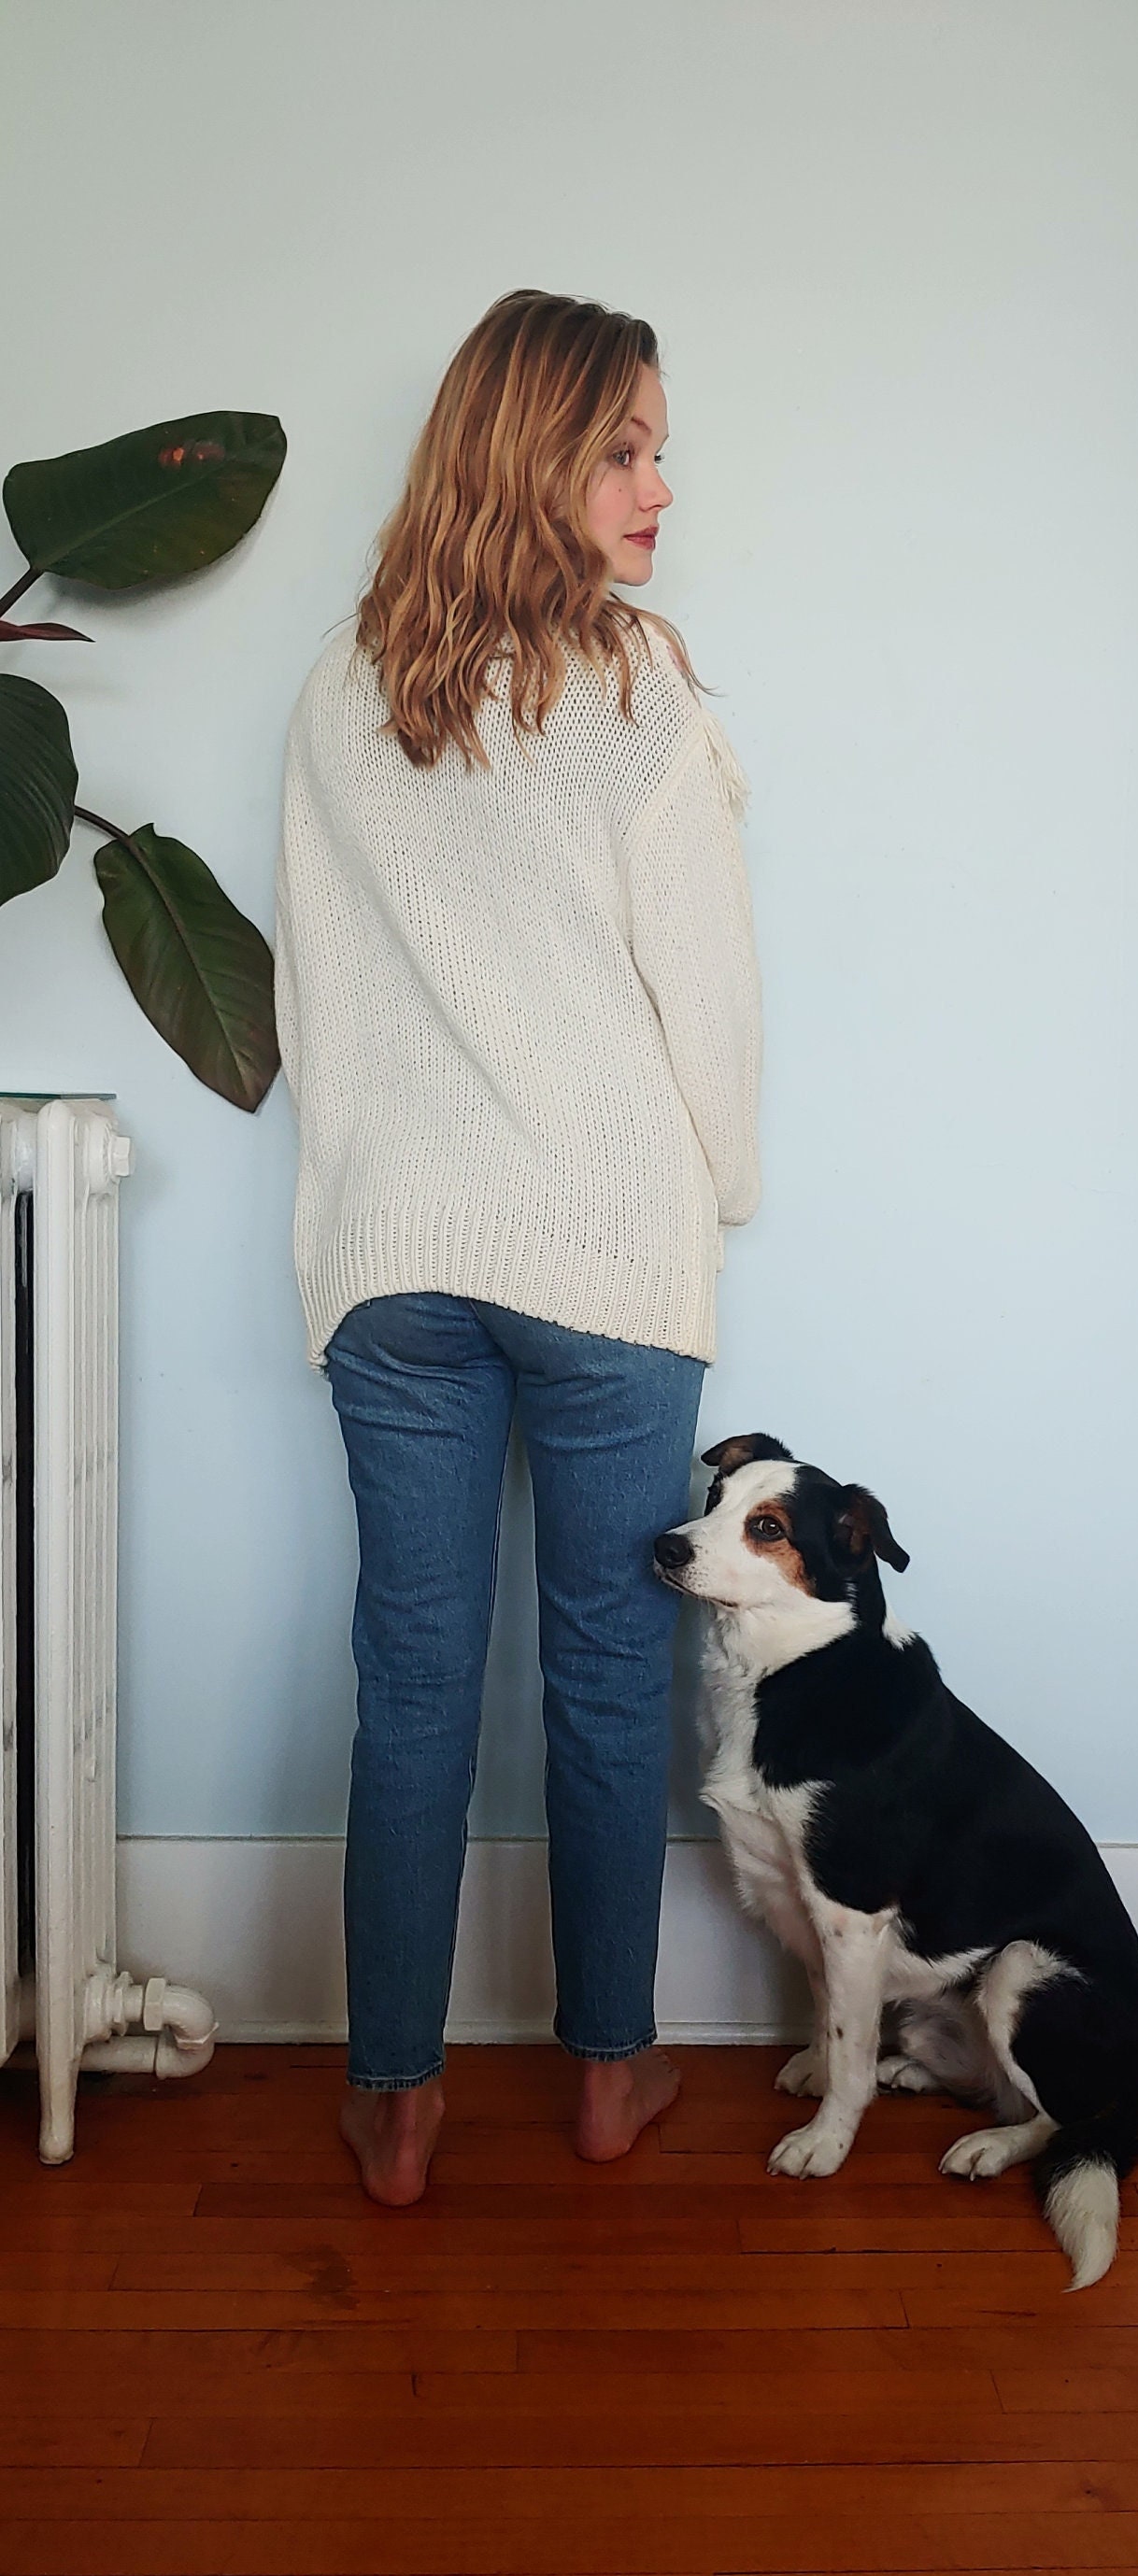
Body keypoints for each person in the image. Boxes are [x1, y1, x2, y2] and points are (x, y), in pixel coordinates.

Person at [274, 288, 761, 2205]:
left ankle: (393, 2106)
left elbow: (316, 993)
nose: (659, 482)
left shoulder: (339, 682)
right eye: (623, 443)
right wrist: (709, 1187)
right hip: (602, 1249)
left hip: (393, 1247)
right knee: (605, 1674)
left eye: (657, 444)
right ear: (529, 450)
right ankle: (607, 2075)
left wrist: (370, 1186)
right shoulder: (640, 686)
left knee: (408, 1678)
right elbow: (704, 1003)